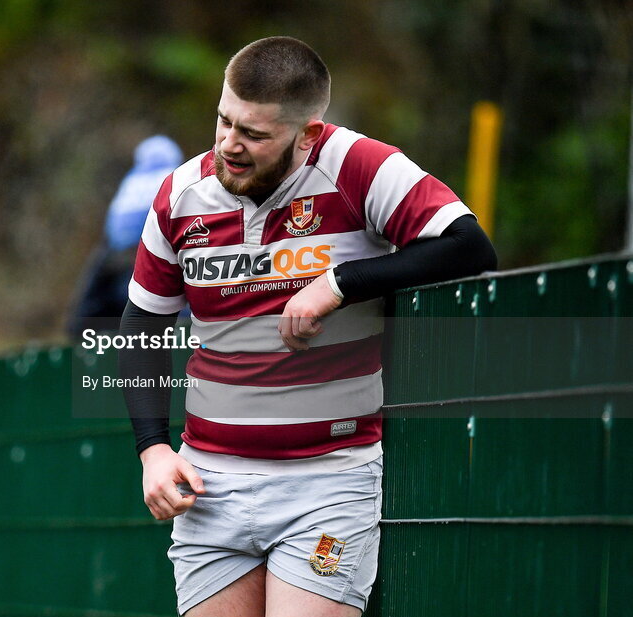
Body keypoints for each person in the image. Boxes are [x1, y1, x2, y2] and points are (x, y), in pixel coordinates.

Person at [118, 37, 496, 617]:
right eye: (224, 121)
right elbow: (142, 324)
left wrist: (341, 283)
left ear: (308, 134)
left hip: (326, 484)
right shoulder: (180, 194)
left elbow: (469, 247)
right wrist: (152, 451)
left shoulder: (361, 167)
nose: (229, 145)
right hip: (208, 486)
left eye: (254, 134)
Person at [67, 135, 183, 339]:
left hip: (116, 265)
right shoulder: (176, 178)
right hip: (153, 260)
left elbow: (110, 233)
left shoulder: (130, 182)